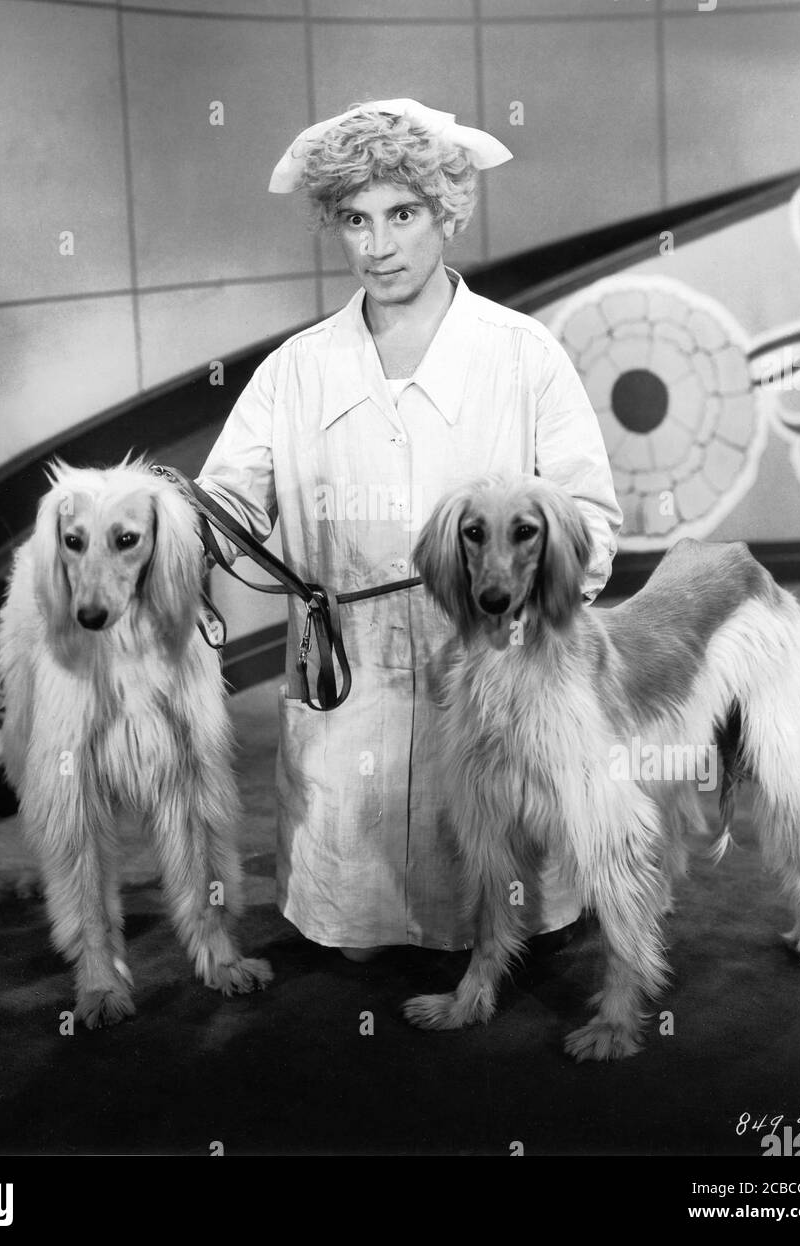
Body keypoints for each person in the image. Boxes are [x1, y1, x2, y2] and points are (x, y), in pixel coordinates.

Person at [198, 99, 622, 961]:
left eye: (402, 214)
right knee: (352, 923)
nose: (377, 245)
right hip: (348, 678)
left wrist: (517, 601)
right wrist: (163, 521)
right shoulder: (297, 369)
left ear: (446, 213)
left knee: (497, 893)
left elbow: (591, 523)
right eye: (354, 219)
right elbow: (225, 508)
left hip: (500, 682)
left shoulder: (521, 354)